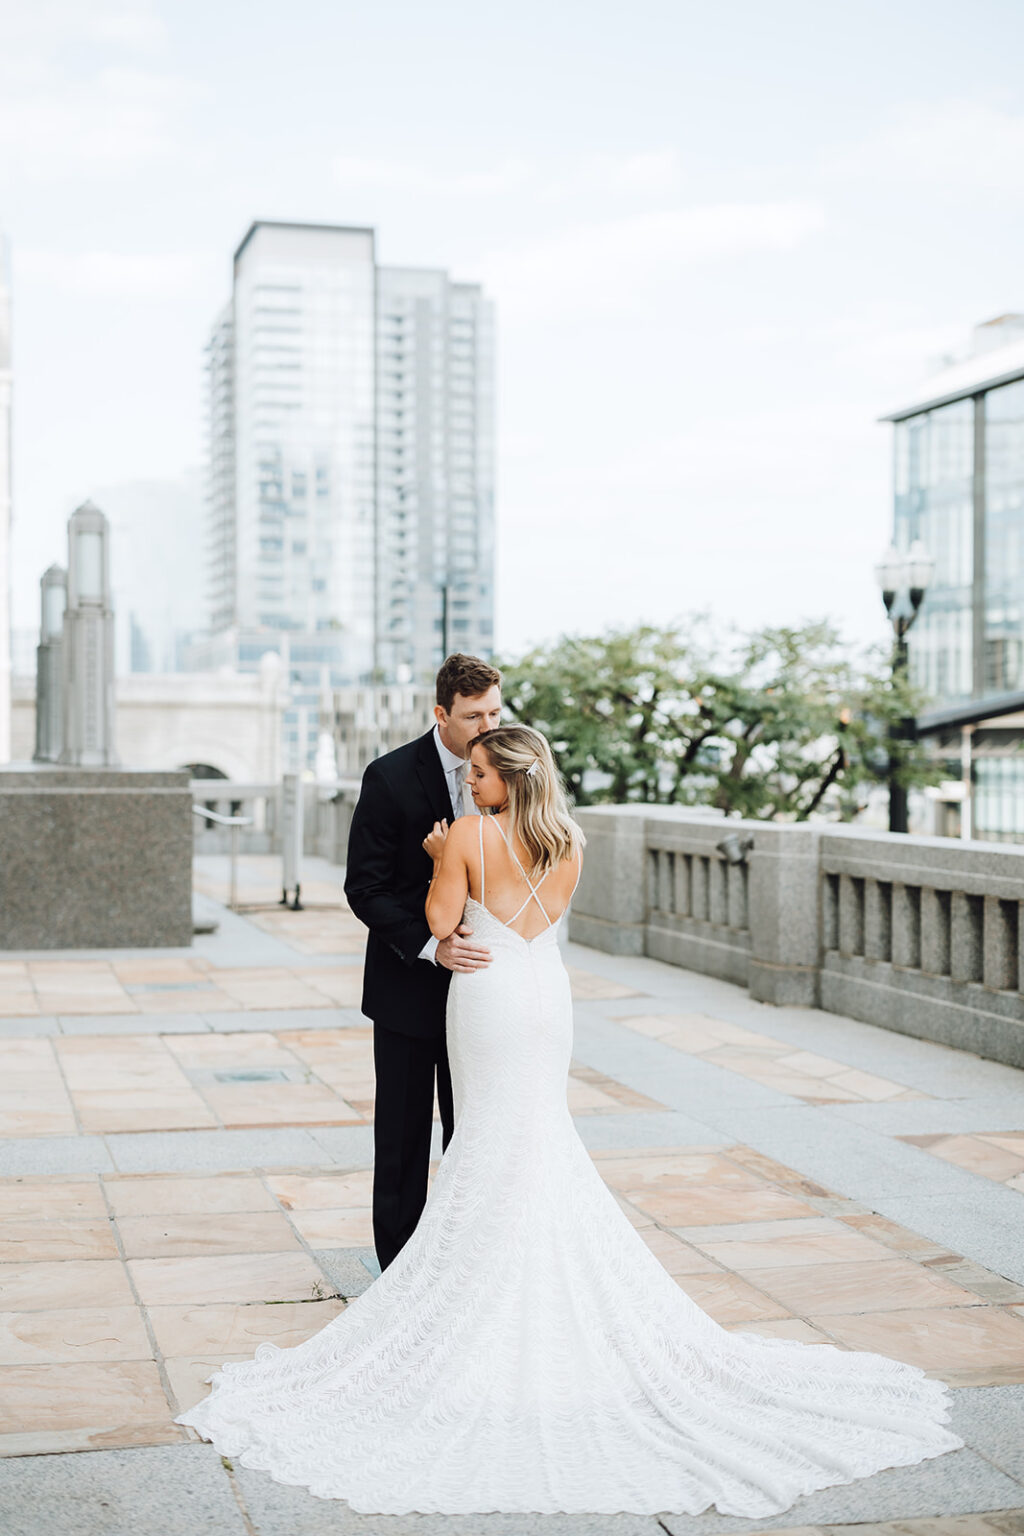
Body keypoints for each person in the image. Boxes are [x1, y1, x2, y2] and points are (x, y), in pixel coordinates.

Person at [177, 724, 961, 1515]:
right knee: (537, 1137)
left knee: (486, 1138)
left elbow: (445, 926)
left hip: (485, 1001)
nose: (472, 781)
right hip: (545, 1001)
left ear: (508, 781)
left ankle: (482, 1292)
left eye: (481, 773)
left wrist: (441, 849)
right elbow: (535, 921)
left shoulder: (467, 837)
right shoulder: (569, 843)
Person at [342, 652, 502, 1270]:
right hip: (408, 988)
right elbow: (366, 889)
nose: (487, 727)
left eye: (494, 710)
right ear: (441, 714)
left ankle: (468, 1269)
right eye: (472, 716)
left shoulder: (513, 770)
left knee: (475, 1135)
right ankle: (398, 1282)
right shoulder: (389, 777)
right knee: (404, 1143)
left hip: (487, 989)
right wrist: (432, 945)